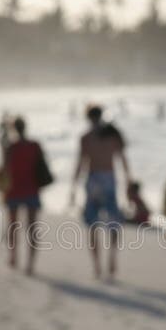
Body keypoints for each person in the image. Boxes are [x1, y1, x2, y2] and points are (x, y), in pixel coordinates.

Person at [71, 105, 131, 280]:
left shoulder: (87, 138)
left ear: (88, 118)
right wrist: (128, 181)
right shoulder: (112, 135)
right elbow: (123, 160)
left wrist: (73, 187)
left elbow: (81, 163)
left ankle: (97, 265)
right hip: (109, 180)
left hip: (93, 180)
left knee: (92, 224)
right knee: (113, 223)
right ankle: (111, 259)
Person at [4, 116, 46, 276]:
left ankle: (13, 257)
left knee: (13, 227)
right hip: (32, 190)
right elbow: (41, 166)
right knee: (32, 229)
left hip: (14, 190)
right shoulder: (35, 145)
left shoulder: (10, 147)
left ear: (14, 129)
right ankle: (30, 264)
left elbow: (5, 168)